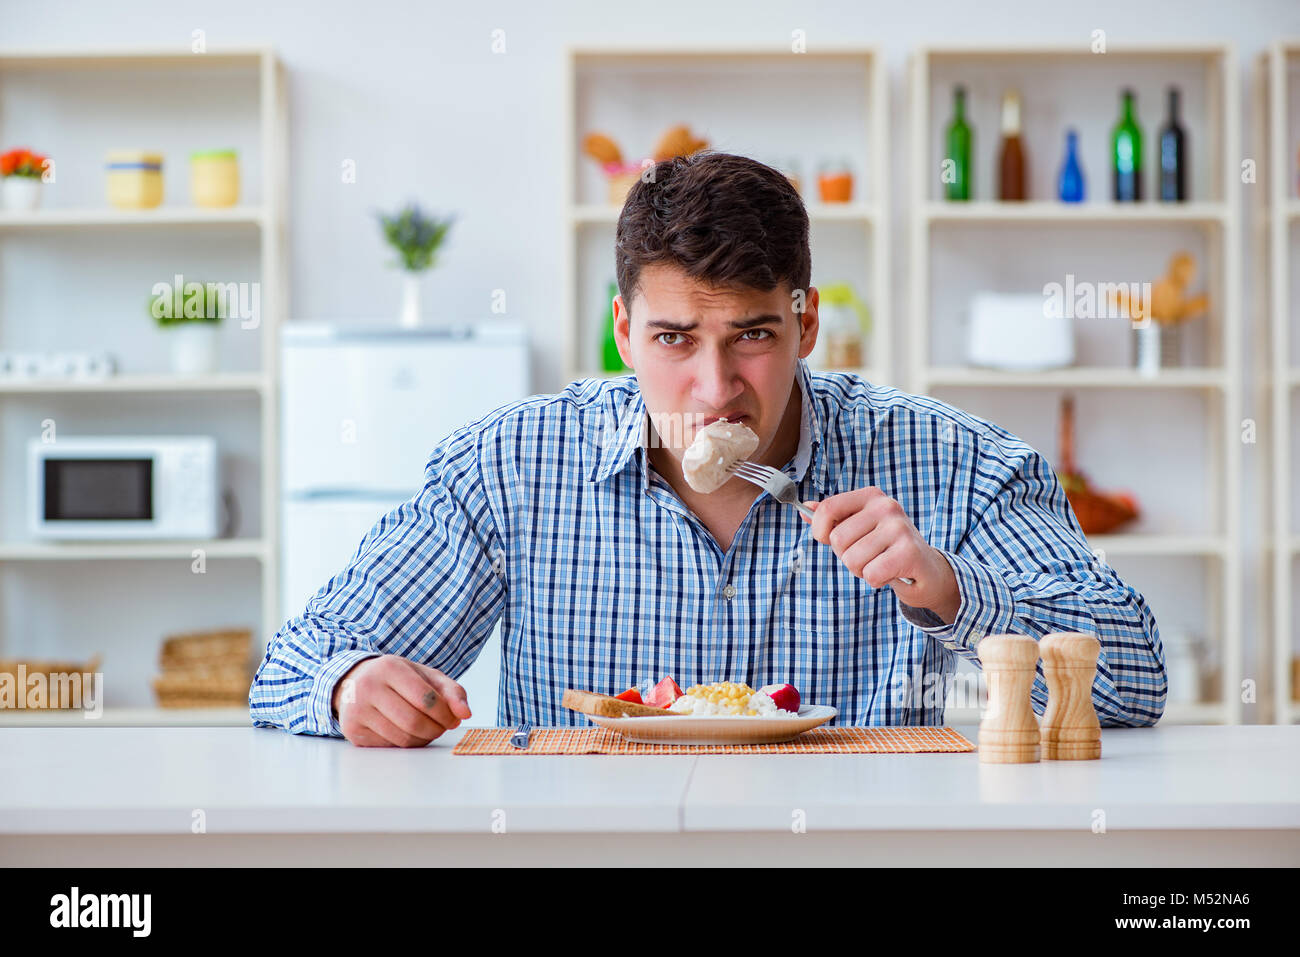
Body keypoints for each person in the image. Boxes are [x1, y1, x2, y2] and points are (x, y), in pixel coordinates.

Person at [250, 151, 1166, 747]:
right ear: (622, 330)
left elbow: (1135, 684)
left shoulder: (955, 460)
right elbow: (294, 662)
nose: (715, 387)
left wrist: (953, 589)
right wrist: (351, 686)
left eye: (754, 337)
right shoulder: (510, 469)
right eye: (675, 339)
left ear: (806, 324)